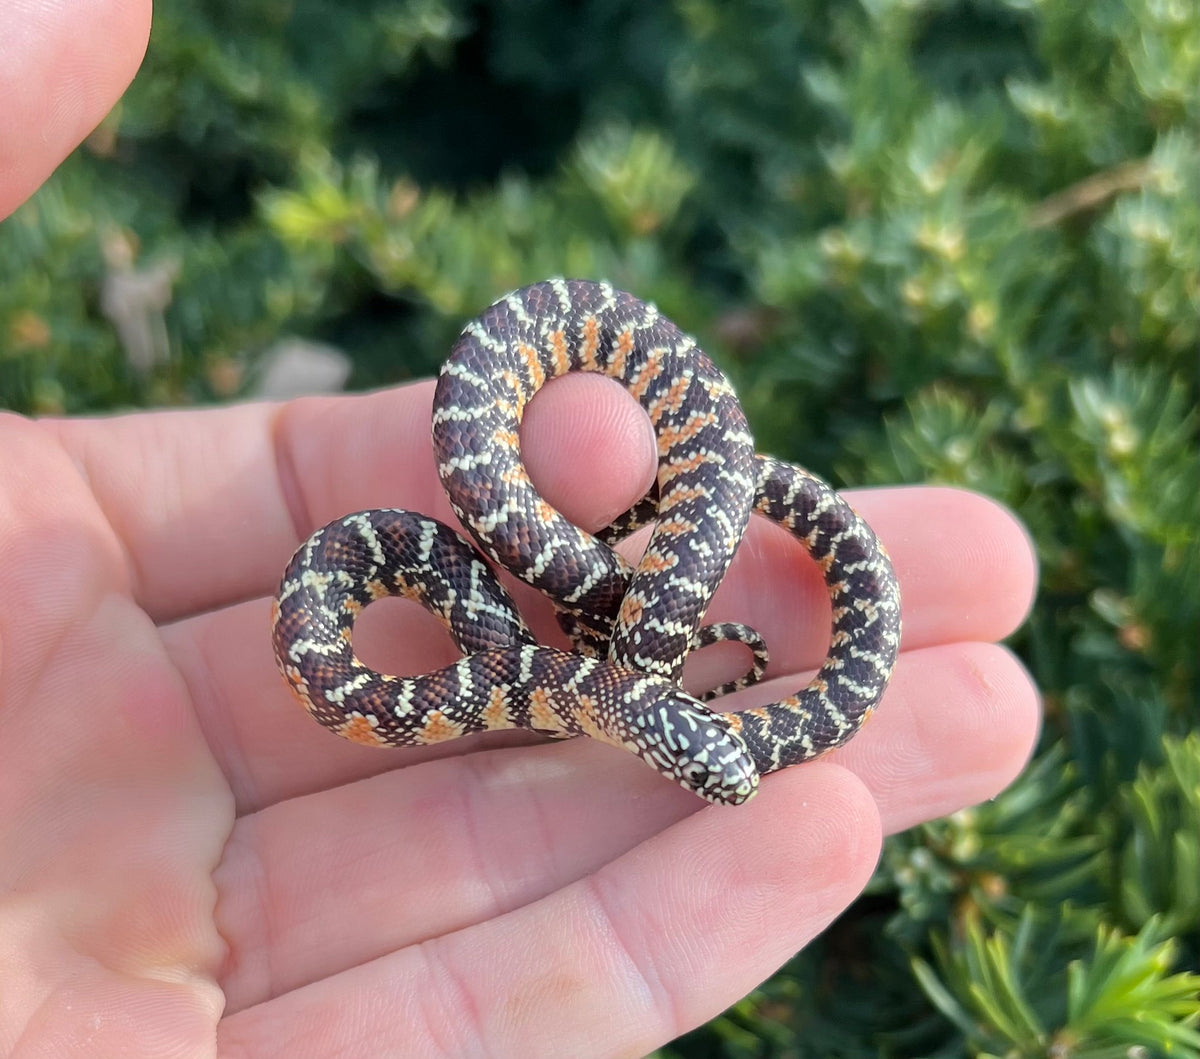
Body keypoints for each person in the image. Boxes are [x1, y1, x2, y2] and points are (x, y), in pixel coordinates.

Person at [0, 4, 1041, 1055]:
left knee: (649, 551)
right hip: (562, 615)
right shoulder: (504, 658)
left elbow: (564, 683)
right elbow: (557, 682)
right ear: (650, 734)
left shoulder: (549, 676)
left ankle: (702, 524)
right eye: (705, 763)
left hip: (584, 637)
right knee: (615, 522)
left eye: (707, 760)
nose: (718, 774)